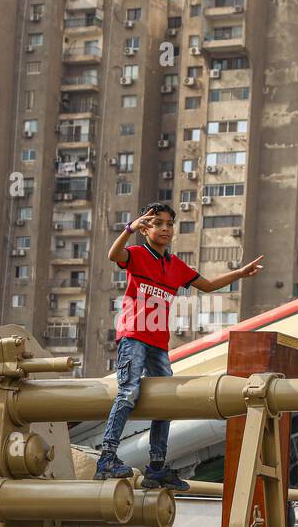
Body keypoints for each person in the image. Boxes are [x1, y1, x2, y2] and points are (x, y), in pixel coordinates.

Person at [95, 203, 263, 487]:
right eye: (156, 223)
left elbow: (208, 285)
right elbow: (114, 254)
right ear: (145, 228)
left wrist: (240, 274)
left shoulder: (176, 266)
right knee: (128, 392)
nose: (164, 228)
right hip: (134, 335)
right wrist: (128, 229)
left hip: (158, 342)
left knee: (168, 403)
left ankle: (156, 467)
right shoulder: (136, 255)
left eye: (169, 224)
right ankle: (107, 458)